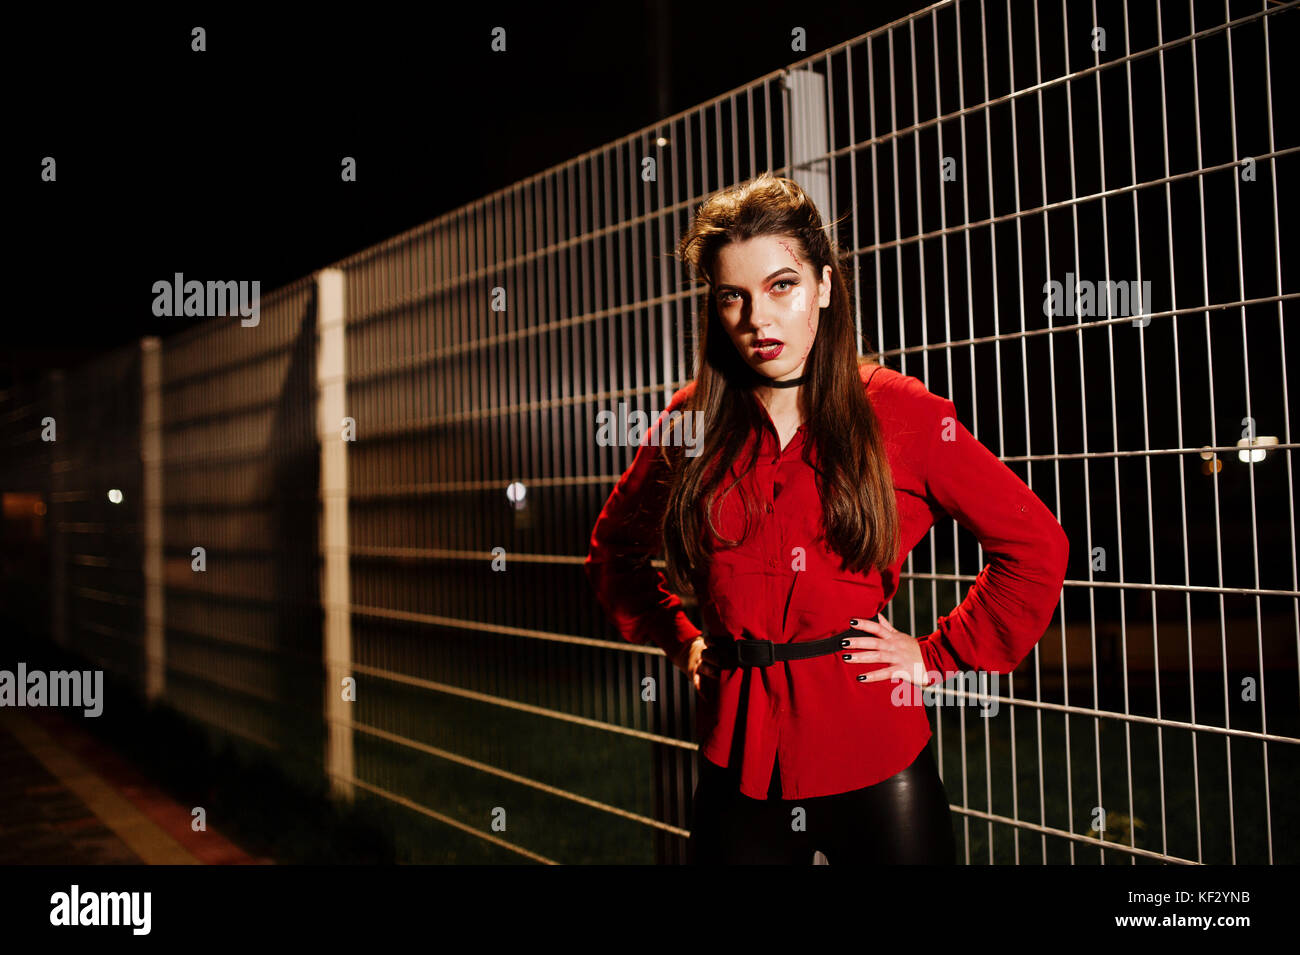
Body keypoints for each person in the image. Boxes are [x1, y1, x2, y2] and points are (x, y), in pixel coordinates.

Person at [584, 172, 1069, 864]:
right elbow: (614, 553)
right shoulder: (692, 419)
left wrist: (938, 655)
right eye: (734, 296)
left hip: (877, 758)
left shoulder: (902, 414)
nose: (758, 318)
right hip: (737, 764)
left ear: (824, 287)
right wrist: (681, 636)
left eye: (782, 285)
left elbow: (1035, 543)